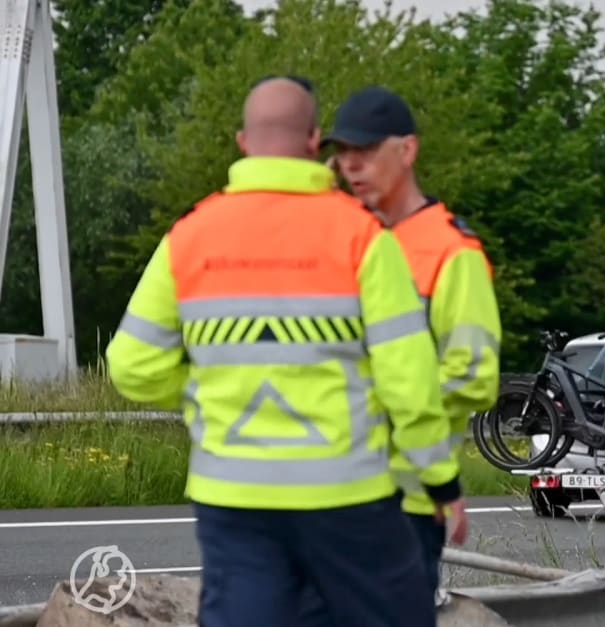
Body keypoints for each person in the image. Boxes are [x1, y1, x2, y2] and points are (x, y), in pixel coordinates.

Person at [103, 76, 461, 627]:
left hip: (234, 496)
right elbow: (409, 384)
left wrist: (208, 388)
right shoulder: (363, 236)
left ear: (243, 142)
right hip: (348, 493)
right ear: (315, 140)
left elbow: (131, 365)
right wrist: (440, 482)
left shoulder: (190, 236)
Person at [321, 85, 502, 598]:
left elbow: (473, 377)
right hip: (324, 495)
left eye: (365, 149)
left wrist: (377, 403)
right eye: (342, 152)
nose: (350, 164)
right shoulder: (342, 240)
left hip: (404, 503)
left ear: (407, 150)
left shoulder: (452, 252)